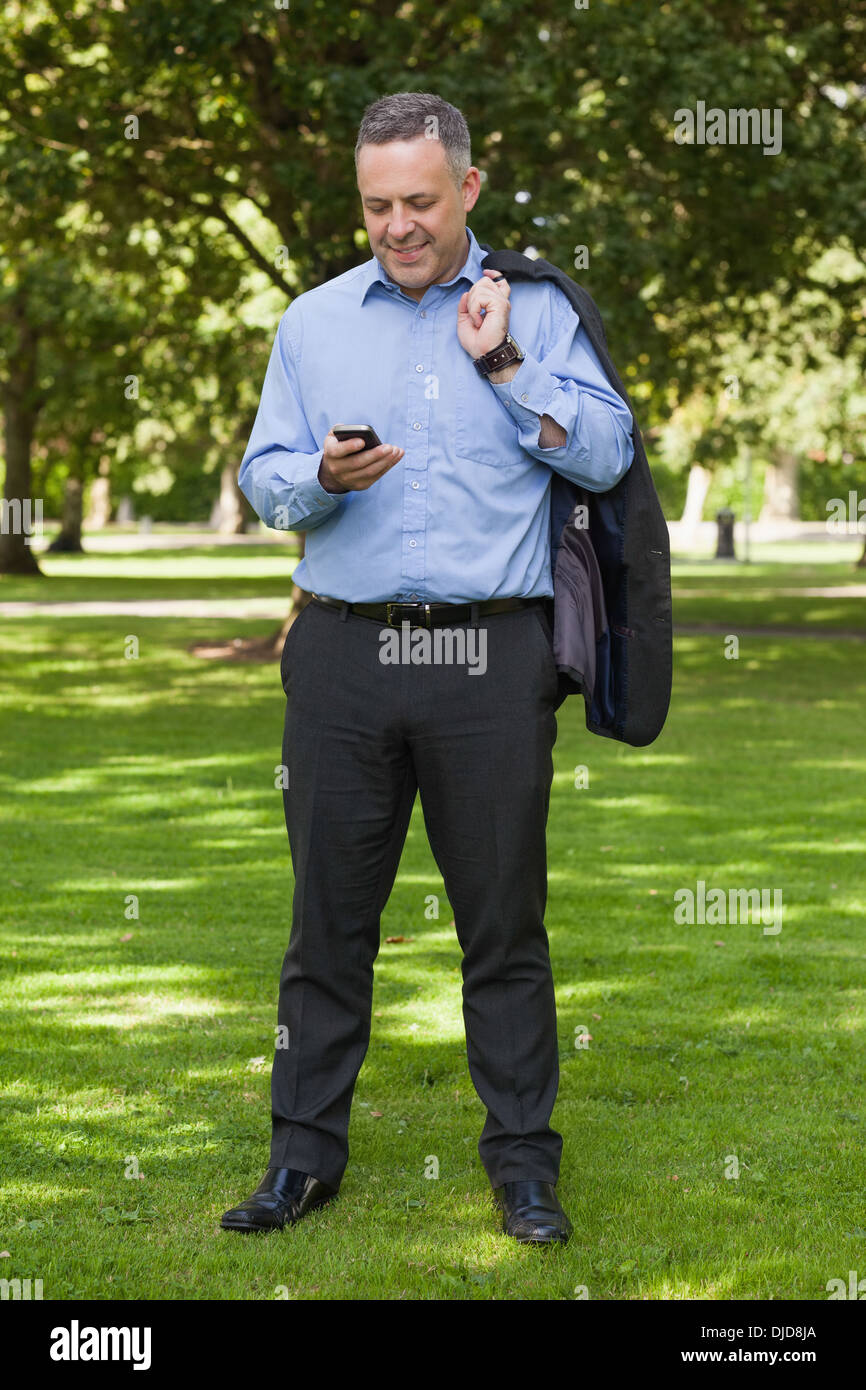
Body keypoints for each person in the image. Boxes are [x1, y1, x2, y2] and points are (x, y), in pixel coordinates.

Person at [222, 91, 634, 1245]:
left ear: (467, 188)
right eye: (373, 204)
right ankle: (300, 1161)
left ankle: (522, 1171)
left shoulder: (534, 312)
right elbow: (263, 479)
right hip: (343, 654)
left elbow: (606, 456)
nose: (395, 224)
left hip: (487, 658)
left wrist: (502, 361)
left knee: (502, 926)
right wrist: (320, 478)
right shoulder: (310, 321)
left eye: (416, 200)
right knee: (324, 927)